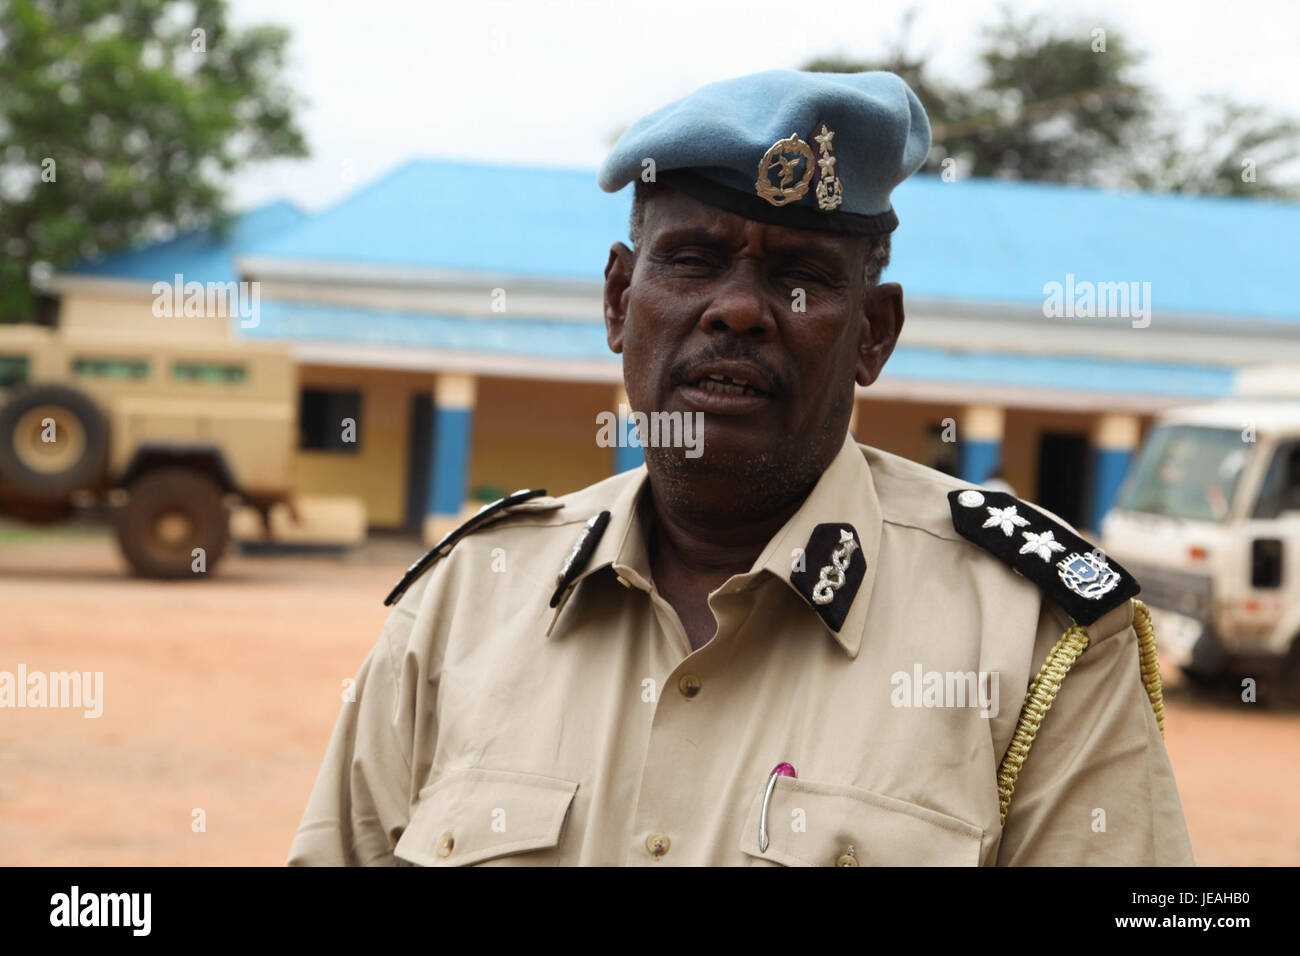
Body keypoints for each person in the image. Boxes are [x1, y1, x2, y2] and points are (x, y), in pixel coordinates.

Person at [287, 69, 1194, 866]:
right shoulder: (463, 604)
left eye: (799, 275)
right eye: (693, 260)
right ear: (617, 299)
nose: (740, 311)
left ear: (873, 333)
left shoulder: (1036, 638)